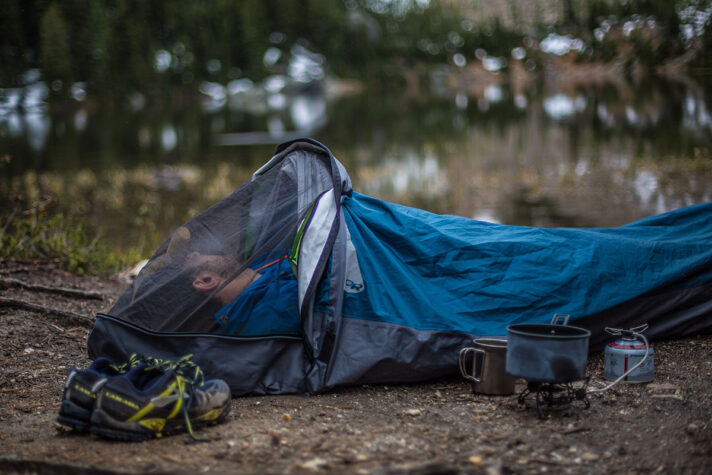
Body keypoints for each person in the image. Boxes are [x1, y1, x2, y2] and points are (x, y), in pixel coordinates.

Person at [184, 251, 300, 336]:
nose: (195, 252)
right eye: (193, 259)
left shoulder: (260, 267)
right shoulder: (277, 313)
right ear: (206, 281)